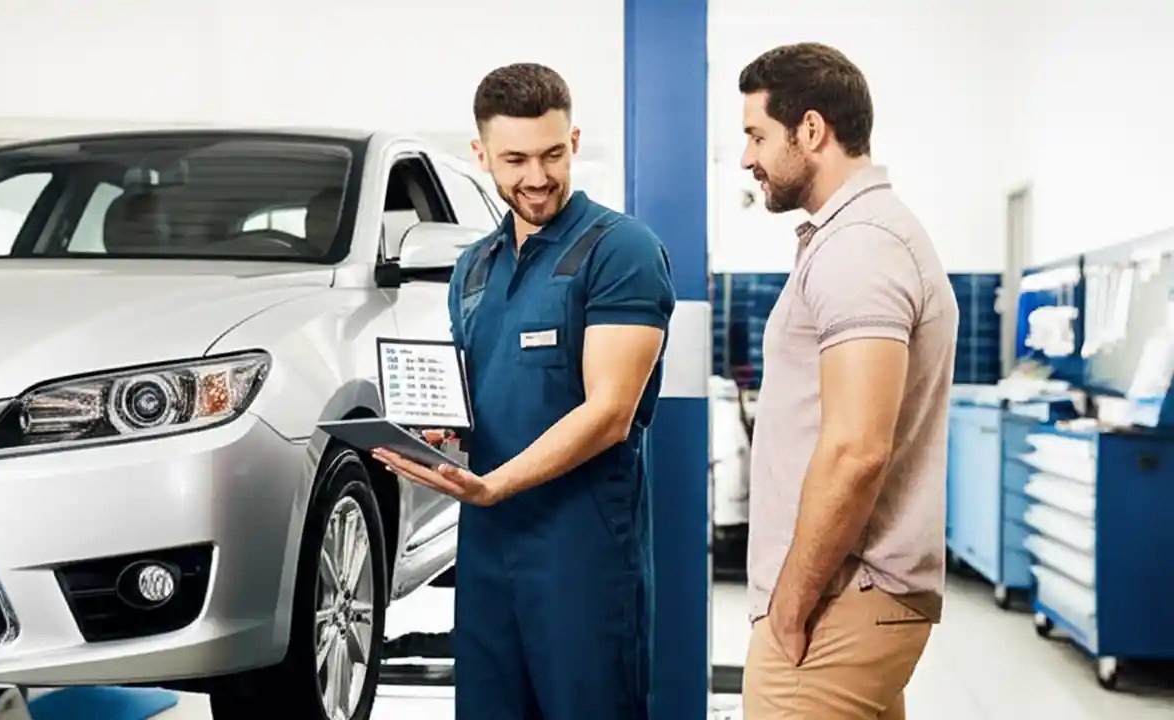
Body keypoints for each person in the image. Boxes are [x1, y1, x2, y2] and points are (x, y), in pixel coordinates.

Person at [372, 62, 676, 719]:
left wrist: (495, 485)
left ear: (574, 142)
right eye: (514, 159)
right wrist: (437, 441)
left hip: (583, 560)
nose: (536, 177)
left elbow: (610, 413)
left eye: (552, 154)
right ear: (480, 155)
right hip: (486, 558)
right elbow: (480, 405)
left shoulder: (620, 250)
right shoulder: (474, 268)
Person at [735, 42, 959, 719]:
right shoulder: (855, 237)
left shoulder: (861, 245)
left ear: (811, 129)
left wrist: (792, 603)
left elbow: (856, 449)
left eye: (756, 135)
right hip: (856, 594)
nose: (747, 158)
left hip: (840, 597)